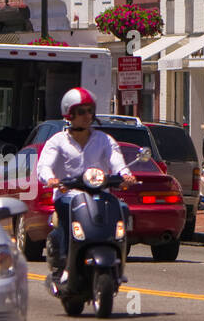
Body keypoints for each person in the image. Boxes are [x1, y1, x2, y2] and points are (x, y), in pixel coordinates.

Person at [36, 87, 135, 282]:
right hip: (69, 196)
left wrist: (125, 174)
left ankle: (118, 258)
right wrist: (51, 179)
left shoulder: (104, 140)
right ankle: (65, 263)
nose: (87, 116)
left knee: (121, 208)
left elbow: (116, 161)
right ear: (69, 113)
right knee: (66, 213)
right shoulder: (57, 141)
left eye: (90, 110)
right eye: (81, 111)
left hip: (99, 195)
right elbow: (44, 166)